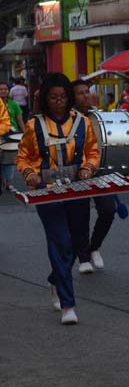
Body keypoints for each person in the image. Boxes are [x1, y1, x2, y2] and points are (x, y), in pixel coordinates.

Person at [15, 73, 100, 325]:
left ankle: (55, 279)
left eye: (63, 97)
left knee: (76, 242)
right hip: (46, 190)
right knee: (59, 241)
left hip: (77, 189)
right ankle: (68, 304)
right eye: (53, 97)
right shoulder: (34, 125)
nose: (58, 102)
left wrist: (89, 168)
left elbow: (93, 152)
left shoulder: (83, 122)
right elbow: (23, 157)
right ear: (45, 99)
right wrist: (29, 174)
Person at [72, 79, 125, 273]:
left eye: (87, 91)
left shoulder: (98, 115)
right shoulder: (67, 118)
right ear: (72, 97)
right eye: (80, 93)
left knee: (108, 210)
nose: (86, 95)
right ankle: (83, 258)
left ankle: (94, 247)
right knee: (81, 215)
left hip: (100, 170)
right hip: (76, 173)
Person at [0, 80, 22, 191]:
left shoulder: (14, 104)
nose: (3, 91)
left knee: (9, 160)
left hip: (11, 135)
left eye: (5, 89)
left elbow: (19, 119)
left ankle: (8, 183)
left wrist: (25, 134)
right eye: (1, 89)